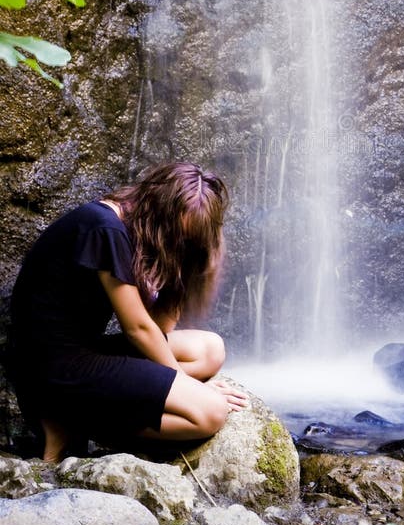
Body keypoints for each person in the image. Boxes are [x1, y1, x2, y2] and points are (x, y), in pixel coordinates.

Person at [8, 161, 247, 461]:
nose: (178, 242)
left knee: (210, 349)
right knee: (211, 413)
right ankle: (74, 419)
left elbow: (160, 326)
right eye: (177, 234)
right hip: (55, 368)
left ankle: (82, 411)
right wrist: (186, 388)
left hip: (86, 350)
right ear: (159, 210)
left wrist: (188, 262)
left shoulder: (132, 228)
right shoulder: (105, 228)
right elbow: (138, 329)